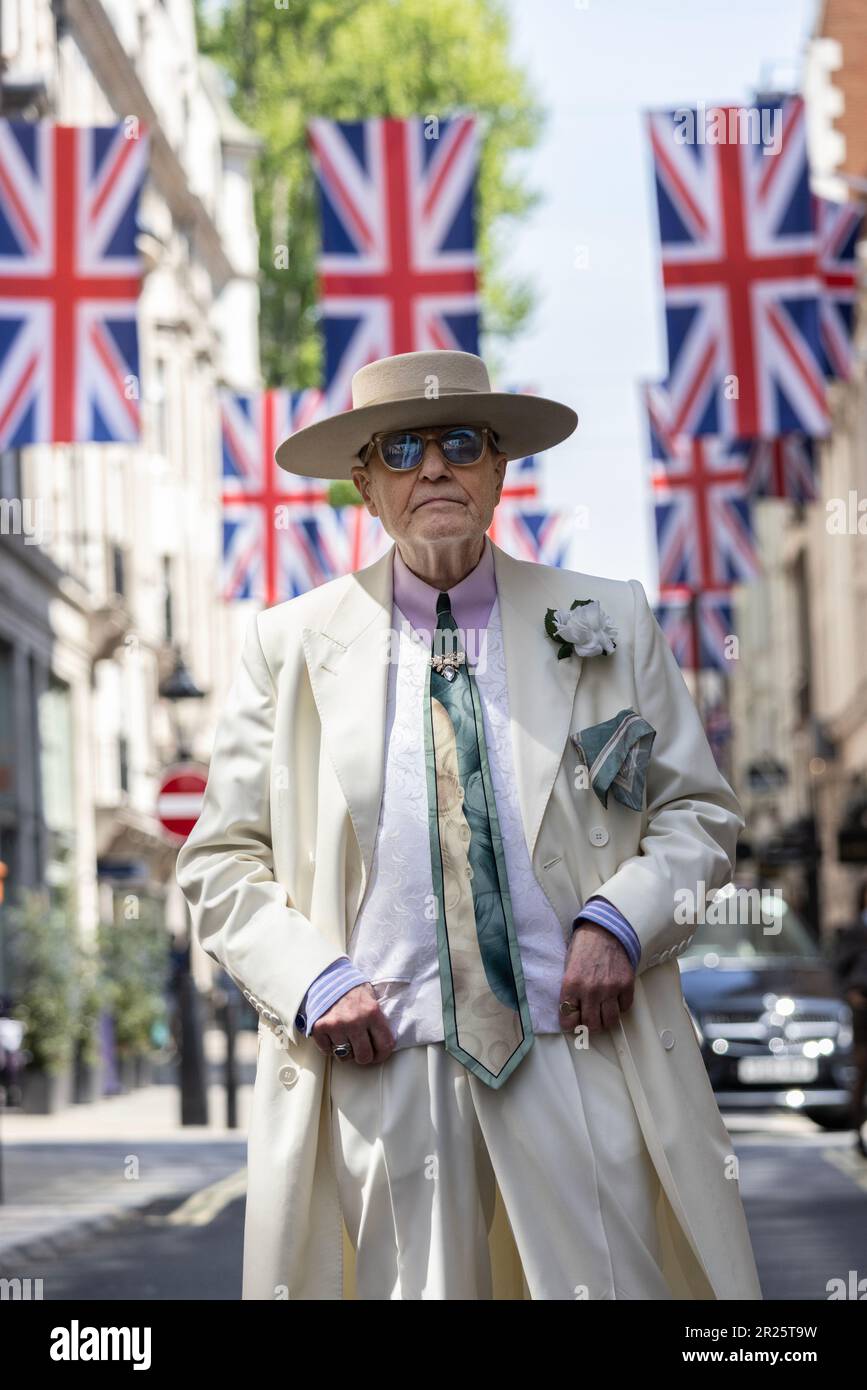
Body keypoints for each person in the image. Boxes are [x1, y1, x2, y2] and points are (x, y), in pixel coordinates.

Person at [176, 348, 762, 1300]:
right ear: (366, 485)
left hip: (578, 1051)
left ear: (498, 468)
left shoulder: (605, 617)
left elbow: (697, 813)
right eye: (402, 449)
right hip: (381, 1065)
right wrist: (313, 982)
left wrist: (619, 924)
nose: (433, 469)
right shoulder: (286, 646)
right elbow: (222, 862)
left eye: (459, 443)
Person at [831, 878, 867, 1157]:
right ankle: (857, 1131)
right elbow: (839, 970)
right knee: (862, 1073)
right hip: (864, 1012)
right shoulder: (855, 930)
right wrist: (852, 995)